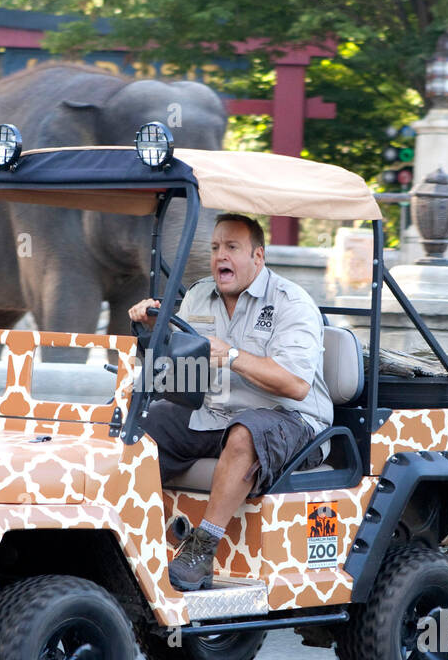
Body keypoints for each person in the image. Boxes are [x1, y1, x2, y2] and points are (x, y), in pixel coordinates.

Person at [129, 213, 332, 591]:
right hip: (216, 410)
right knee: (140, 424)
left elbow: (297, 385)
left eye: (232, 248)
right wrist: (152, 332)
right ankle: (128, 535)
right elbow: (178, 372)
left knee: (244, 435)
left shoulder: (291, 302)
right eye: (216, 248)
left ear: (258, 257)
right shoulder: (199, 295)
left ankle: (201, 551)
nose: (220, 255)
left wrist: (233, 355)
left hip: (292, 419)